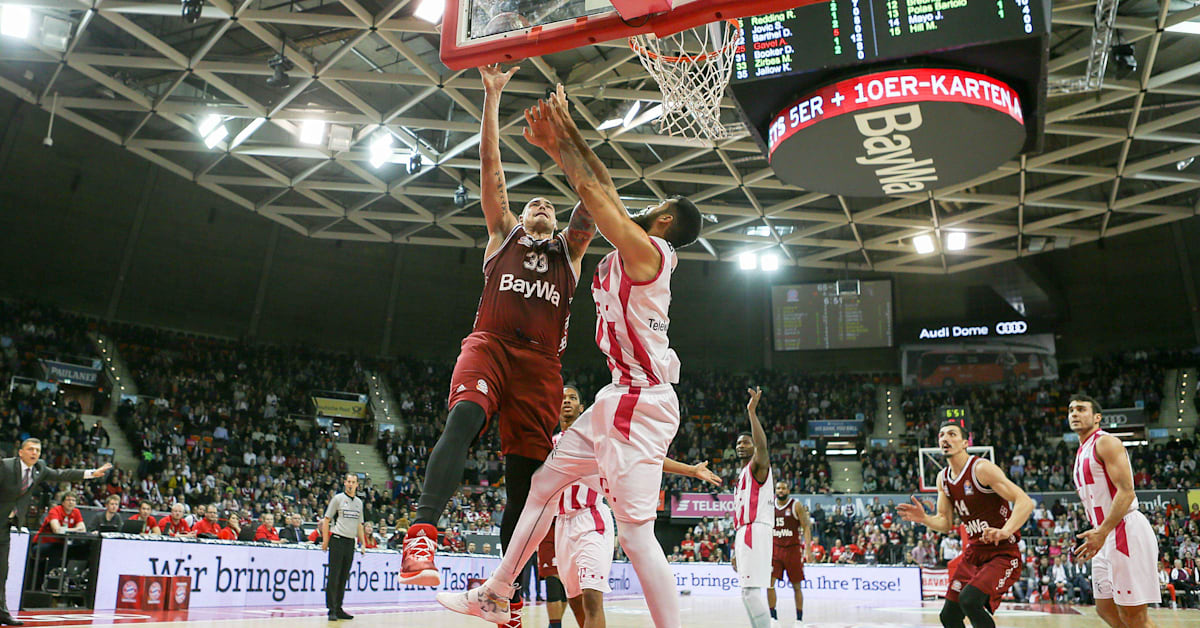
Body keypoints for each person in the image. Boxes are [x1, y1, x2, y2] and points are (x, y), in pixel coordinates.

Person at [437, 84, 703, 628]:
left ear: (665, 223)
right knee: (542, 484)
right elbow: (599, 186)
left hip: (642, 402)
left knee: (636, 534)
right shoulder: (634, 244)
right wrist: (564, 136)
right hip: (617, 396)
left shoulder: (650, 252)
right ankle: (497, 592)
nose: (643, 208)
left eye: (654, 208)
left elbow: (594, 193)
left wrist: (562, 139)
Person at [400, 63, 597, 607]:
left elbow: (592, 195)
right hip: (490, 345)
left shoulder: (571, 251)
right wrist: (491, 96)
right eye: (534, 203)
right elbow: (492, 171)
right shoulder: (502, 233)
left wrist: (567, 137)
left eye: (549, 205)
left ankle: (504, 592)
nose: (541, 206)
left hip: (541, 366)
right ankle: (421, 536)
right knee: (463, 419)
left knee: (524, 483)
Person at [543, 385, 723, 628]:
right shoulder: (549, 443)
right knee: (575, 600)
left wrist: (690, 470)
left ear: (582, 407)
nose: (566, 401)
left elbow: (643, 456)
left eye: (572, 398)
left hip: (591, 520)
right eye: (562, 398)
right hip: (562, 525)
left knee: (592, 599)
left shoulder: (597, 439)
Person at [897, 422, 1033, 628]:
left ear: (964, 443)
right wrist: (924, 518)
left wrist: (1005, 531)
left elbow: (1025, 501)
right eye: (941, 435)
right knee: (948, 616)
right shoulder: (943, 478)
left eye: (952, 434)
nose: (945, 438)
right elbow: (945, 523)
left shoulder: (981, 468)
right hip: (974, 554)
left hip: (1003, 553)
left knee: (970, 601)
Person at [1068, 394, 1161, 627]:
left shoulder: (1105, 442)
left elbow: (1126, 492)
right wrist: (1100, 533)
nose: (1075, 414)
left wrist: (1102, 531)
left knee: (1134, 616)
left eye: (1081, 409)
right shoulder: (1081, 451)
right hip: (1103, 534)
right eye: (1071, 410)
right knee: (1105, 609)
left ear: (1097, 417)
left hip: (1123, 530)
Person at [0, 439, 110, 626]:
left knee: (2, 571)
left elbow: (62, 474)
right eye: (30, 449)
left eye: (37, 450)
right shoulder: (6, 466)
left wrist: (91, 473)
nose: (34, 453)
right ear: (20, 452)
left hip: (5, 527)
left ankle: (2, 613)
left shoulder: (39, 469)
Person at [732, 388, 773, 628]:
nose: (741, 446)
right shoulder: (741, 476)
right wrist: (735, 549)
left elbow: (762, 447)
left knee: (750, 592)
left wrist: (752, 412)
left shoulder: (758, 466)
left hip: (755, 530)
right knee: (746, 593)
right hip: (745, 533)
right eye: (738, 443)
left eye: (745, 442)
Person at [322, 473, 366, 621]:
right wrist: (325, 540)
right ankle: (331, 609)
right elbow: (326, 519)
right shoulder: (338, 499)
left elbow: (360, 524)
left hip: (350, 542)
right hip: (337, 539)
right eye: (348, 481)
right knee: (334, 575)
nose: (350, 484)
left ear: (357, 485)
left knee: (343, 577)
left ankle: (339, 607)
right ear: (344, 483)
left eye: (353, 482)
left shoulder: (359, 503)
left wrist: (363, 543)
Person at [769, 480, 811, 627]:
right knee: (769, 584)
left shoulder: (796, 505)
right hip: (775, 549)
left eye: (783, 488)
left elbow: (806, 527)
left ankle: (799, 619)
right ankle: (773, 617)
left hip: (792, 550)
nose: (780, 491)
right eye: (778, 488)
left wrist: (808, 550)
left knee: (796, 586)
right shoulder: (769, 506)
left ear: (788, 490)